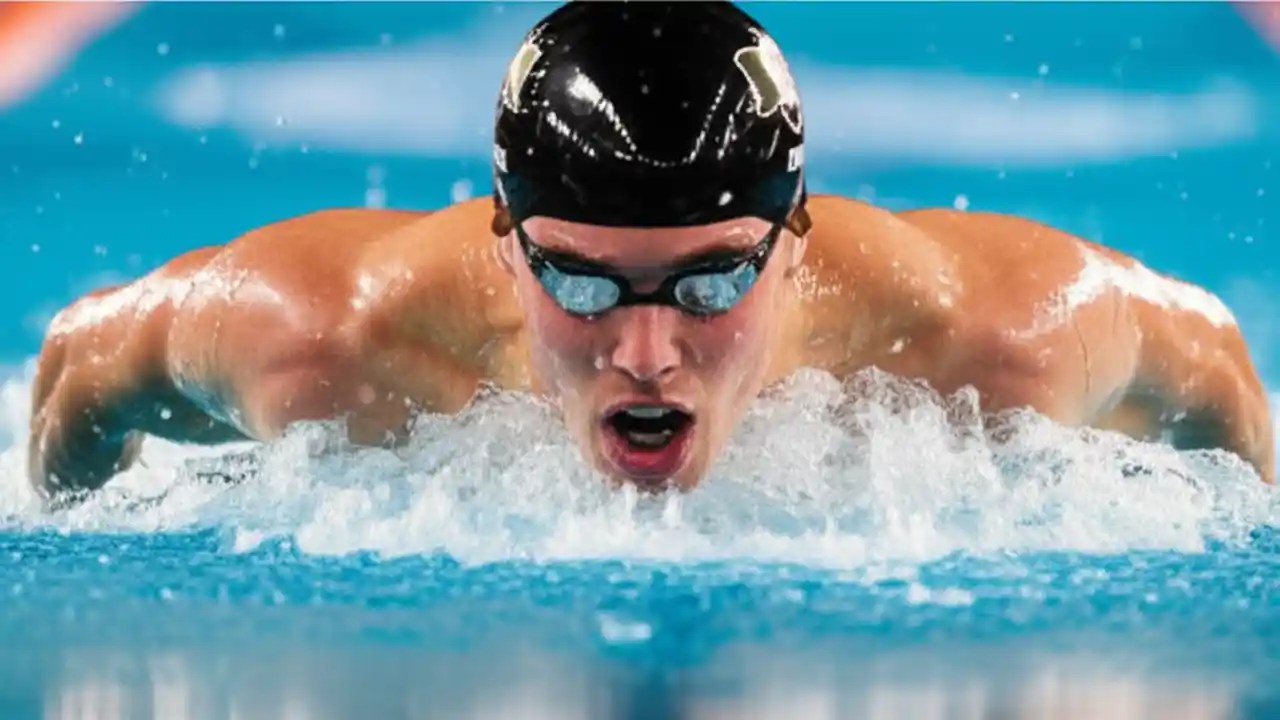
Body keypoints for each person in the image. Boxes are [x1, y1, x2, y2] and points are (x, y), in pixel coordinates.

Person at [27, 1, 1274, 502]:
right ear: (505, 245)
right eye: (576, 278)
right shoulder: (324, 337)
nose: (643, 351)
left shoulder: (991, 344)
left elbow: (1213, 359)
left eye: (711, 279)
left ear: (796, 240)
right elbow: (85, 360)